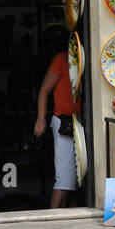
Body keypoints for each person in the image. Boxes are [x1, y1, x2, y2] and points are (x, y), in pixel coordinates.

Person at [35, 43, 77, 209]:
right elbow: (44, 89)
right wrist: (41, 118)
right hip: (63, 121)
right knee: (64, 179)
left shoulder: (80, 59)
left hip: (78, 122)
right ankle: (52, 220)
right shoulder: (61, 59)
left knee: (75, 180)